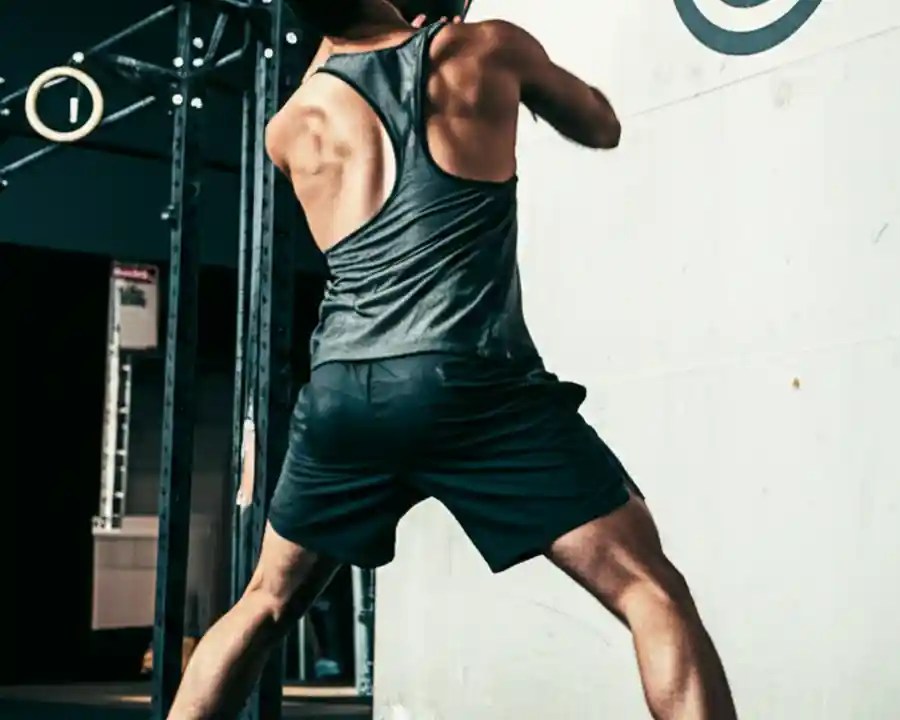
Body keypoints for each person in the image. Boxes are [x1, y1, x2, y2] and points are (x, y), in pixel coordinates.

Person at [167, 2, 738, 719]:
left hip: (343, 394)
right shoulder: (484, 50)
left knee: (265, 603)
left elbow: (344, 55)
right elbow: (601, 124)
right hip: (467, 381)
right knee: (649, 590)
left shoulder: (287, 128)